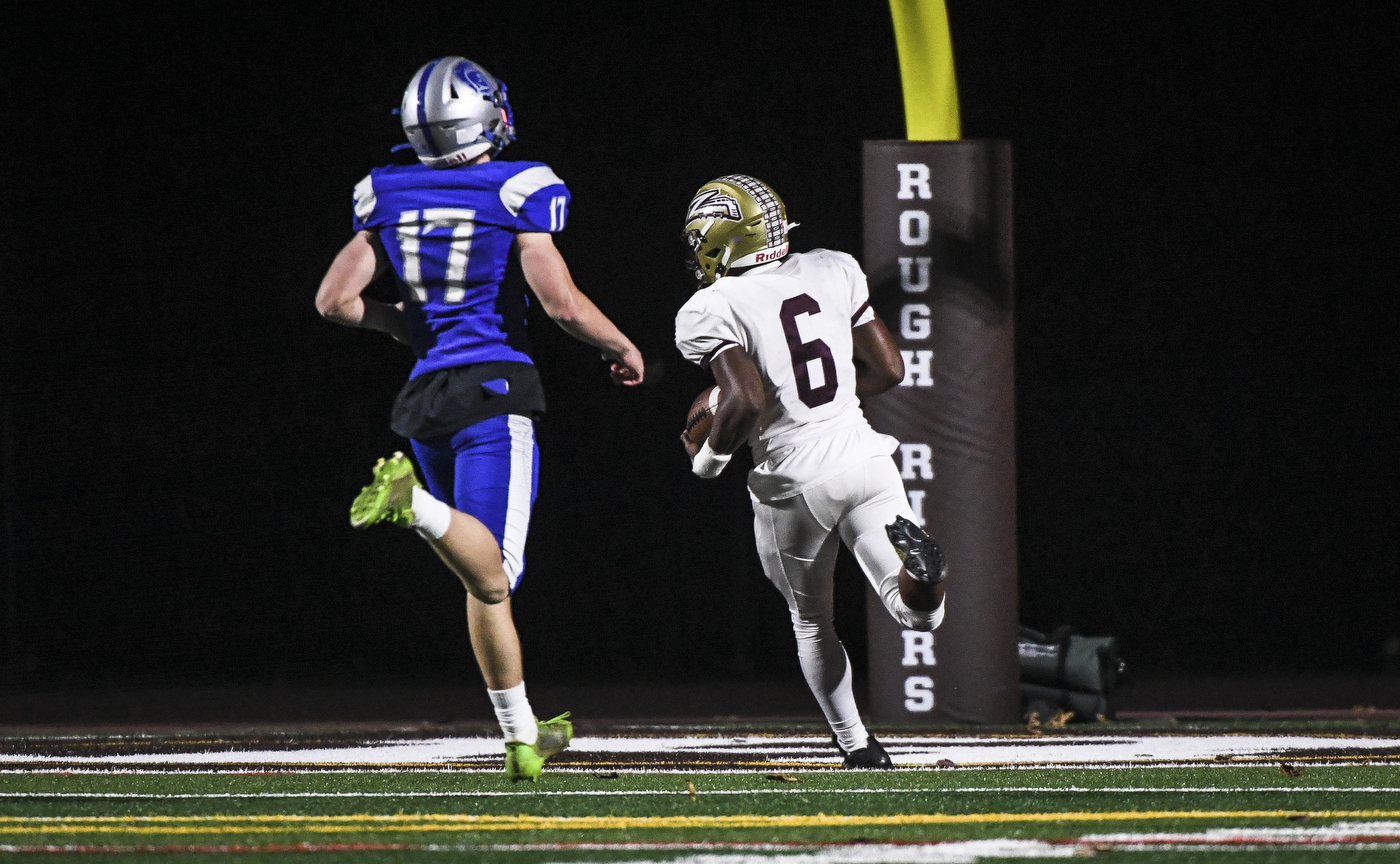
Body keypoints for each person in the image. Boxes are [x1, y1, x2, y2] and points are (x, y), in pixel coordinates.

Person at [315, 57, 645, 781]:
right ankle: (414, 505)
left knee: (482, 579)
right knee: (501, 568)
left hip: (424, 397)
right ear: (485, 118)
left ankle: (522, 737)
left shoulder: (386, 191)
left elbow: (334, 302)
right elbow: (558, 302)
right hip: (494, 387)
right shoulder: (519, 185)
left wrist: (405, 327)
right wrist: (620, 343)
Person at [674, 175, 945, 768]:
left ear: (720, 239)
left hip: (793, 480)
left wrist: (708, 461)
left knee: (812, 622)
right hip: (866, 456)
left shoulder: (710, 306)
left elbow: (742, 401)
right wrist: (834, 401)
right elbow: (891, 368)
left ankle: (858, 746)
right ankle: (928, 577)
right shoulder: (833, 267)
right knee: (914, 613)